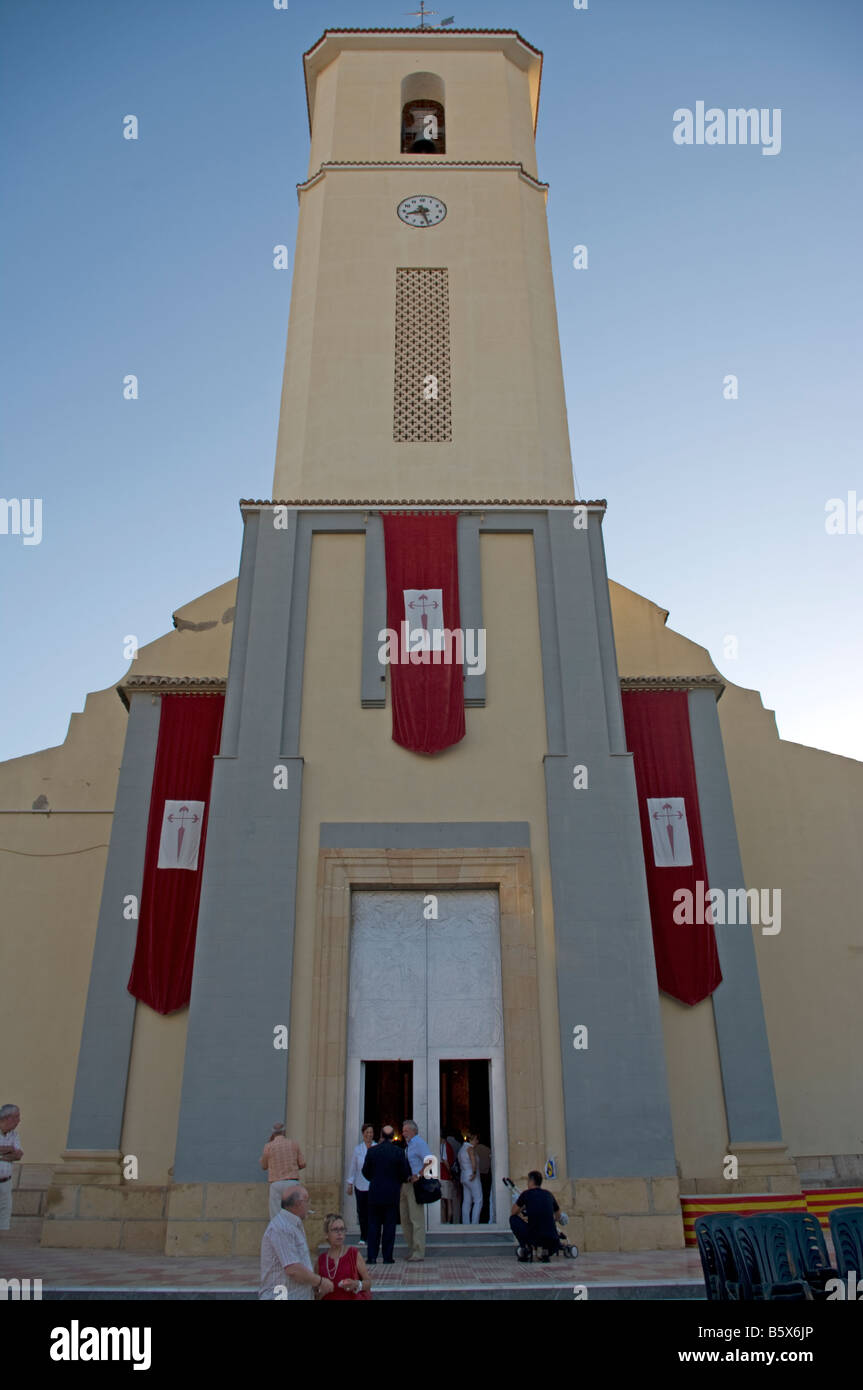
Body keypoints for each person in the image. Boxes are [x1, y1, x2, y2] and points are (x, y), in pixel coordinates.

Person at [259, 1185, 333, 1300]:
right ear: (299, 1203)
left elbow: (300, 1262)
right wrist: (320, 1281)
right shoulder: (282, 1227)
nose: (309, 1205)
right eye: (307, 1201)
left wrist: (312, 1285)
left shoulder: (294, 1225)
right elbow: (293, 1269)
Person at [361, 1124, 410, 1265]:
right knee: (389, 1226)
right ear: (393, 1137)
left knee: (373, 1226)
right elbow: (404, 1173)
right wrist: (395, 1182)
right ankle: (388, 1257)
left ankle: (372, 1257)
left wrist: (374, 1180)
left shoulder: (372, 1152)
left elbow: (365, 1171)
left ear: (381, 1136)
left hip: (375, 1193)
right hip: (392, 1194)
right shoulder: (399, 1152)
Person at [317, 1212, 372, 1300]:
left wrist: (356, 1284)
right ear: (327, 1234)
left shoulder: (353, 1254)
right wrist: (321, 1293)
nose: (339, 1233)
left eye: (342, 1229)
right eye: (335, 1229)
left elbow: (368, 1282)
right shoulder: (321, 1260)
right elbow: (315, 1292)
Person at [509, 1170, 561, 1261]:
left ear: (531, 1181)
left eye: (528, 1181)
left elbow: (513, 1212)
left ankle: (526, 1248)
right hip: (553, 1240)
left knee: (513, 1219)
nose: (527, 1183)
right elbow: (558, 1215)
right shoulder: (548, 1194)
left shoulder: (526, 1194)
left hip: (535, 1238)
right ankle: (544, 1252)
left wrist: (523, 1207)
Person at [259, 1122, 306, 1220]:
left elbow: (263, 1166)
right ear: (284, 1131)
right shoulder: (293, 1144)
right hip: (292, 1183)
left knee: (276, 1217)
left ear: (273, 1133)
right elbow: (302, 1164)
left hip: (276, 1183)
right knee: (295, 1215)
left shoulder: (268, 1146)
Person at [400, 1118, 431, 1261]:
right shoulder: (408, 1145)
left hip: (415, 1185)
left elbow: (430, 1160)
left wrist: (419, 1175)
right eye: (403, 1130)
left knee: (416, 1218)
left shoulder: (419, 1143)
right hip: (405, 1184)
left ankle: (419, 1252)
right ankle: (412, 1249)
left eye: (406, 1130)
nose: (403, 1132)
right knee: (405, 1218)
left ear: (413, 1130)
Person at [345, 1123, 375, 1244]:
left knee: (373, 1211)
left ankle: (373, 1235)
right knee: (362, 1212)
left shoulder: (376, 1147)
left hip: (373, 1185)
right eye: (367, 1132)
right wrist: (350, 1183)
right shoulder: (358, 1149)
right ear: (363, 1134)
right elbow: (353, 1167)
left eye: (371, 1132)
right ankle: (364, 1236)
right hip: (360, 1185)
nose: (369, 1135)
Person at [0, 1105, 22, 1236]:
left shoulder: (14, 1134)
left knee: (3, 1220)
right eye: (17, 1117)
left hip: (6, 1182)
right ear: (8, 1118)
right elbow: (13, 1152)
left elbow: (18, 1155)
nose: (19, 1120)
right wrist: (9, 1150)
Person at [458, 1131, 482, 1224]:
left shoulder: (461, 1149)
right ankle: (475, 1223)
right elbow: (473, 1160)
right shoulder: (470, 1149)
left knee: (467, 1200)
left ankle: (466, 1222)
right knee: (478, 1200)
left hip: (464, 1175)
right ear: (471, 1139)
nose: (477, 1141)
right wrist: (474, 1172)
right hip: (471, 1175)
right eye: (476, 1139)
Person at [439, 1132, 457, 1224]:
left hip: (443, 1175)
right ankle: (447, 1221)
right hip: (446, 1177)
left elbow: (445, 1161)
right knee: (448, 1200)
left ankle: (446, 1221)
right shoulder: (448, 1146)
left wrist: (449, 1172)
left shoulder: (443, 1146)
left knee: (444, 1202)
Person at [474, 1136, 492, 1223]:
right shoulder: (488, 1150)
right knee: (485, 1197)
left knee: (476, 1197)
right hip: (486, 1175)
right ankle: (485, 1216)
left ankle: (477, 1217)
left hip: (477, 1175)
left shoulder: (475, 1149)